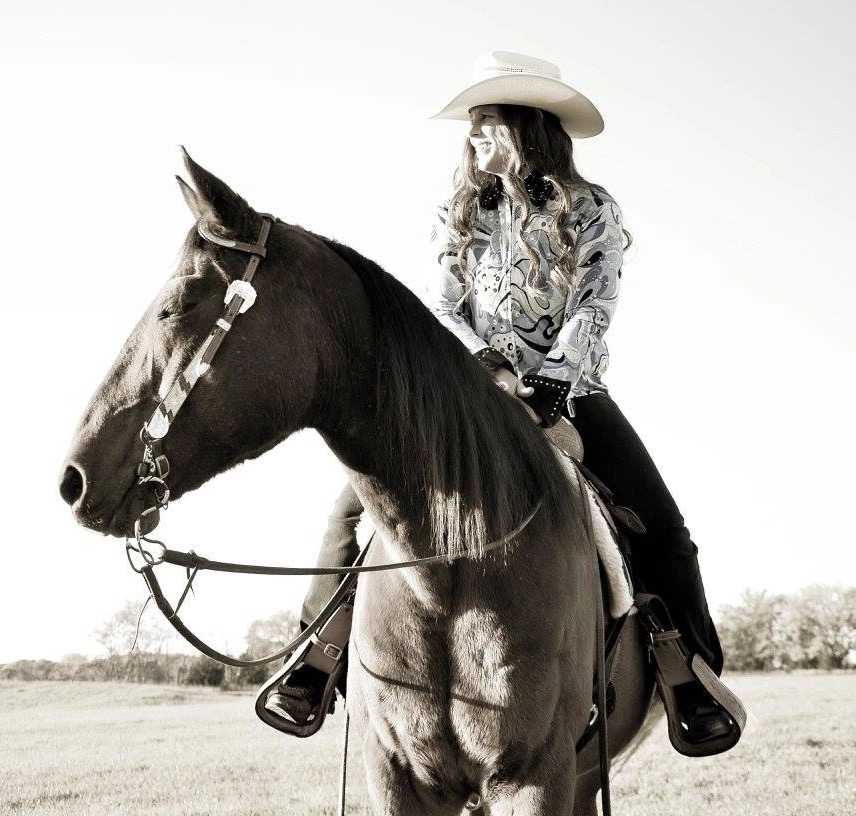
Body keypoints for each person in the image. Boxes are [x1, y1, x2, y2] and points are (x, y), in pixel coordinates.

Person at [266, 51, 731, 744]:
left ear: (526, 126)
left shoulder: (592, 210)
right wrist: (489, 370)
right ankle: (316, 659)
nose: (474, 134)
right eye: (472, 122)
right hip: (465, 396)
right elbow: (443, 307)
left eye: (486, 120)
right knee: (353, 507)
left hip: (569, 391)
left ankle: (690, 677)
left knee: (663, 527)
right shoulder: (458, 214)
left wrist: (546, 385)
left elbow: (594, 304)